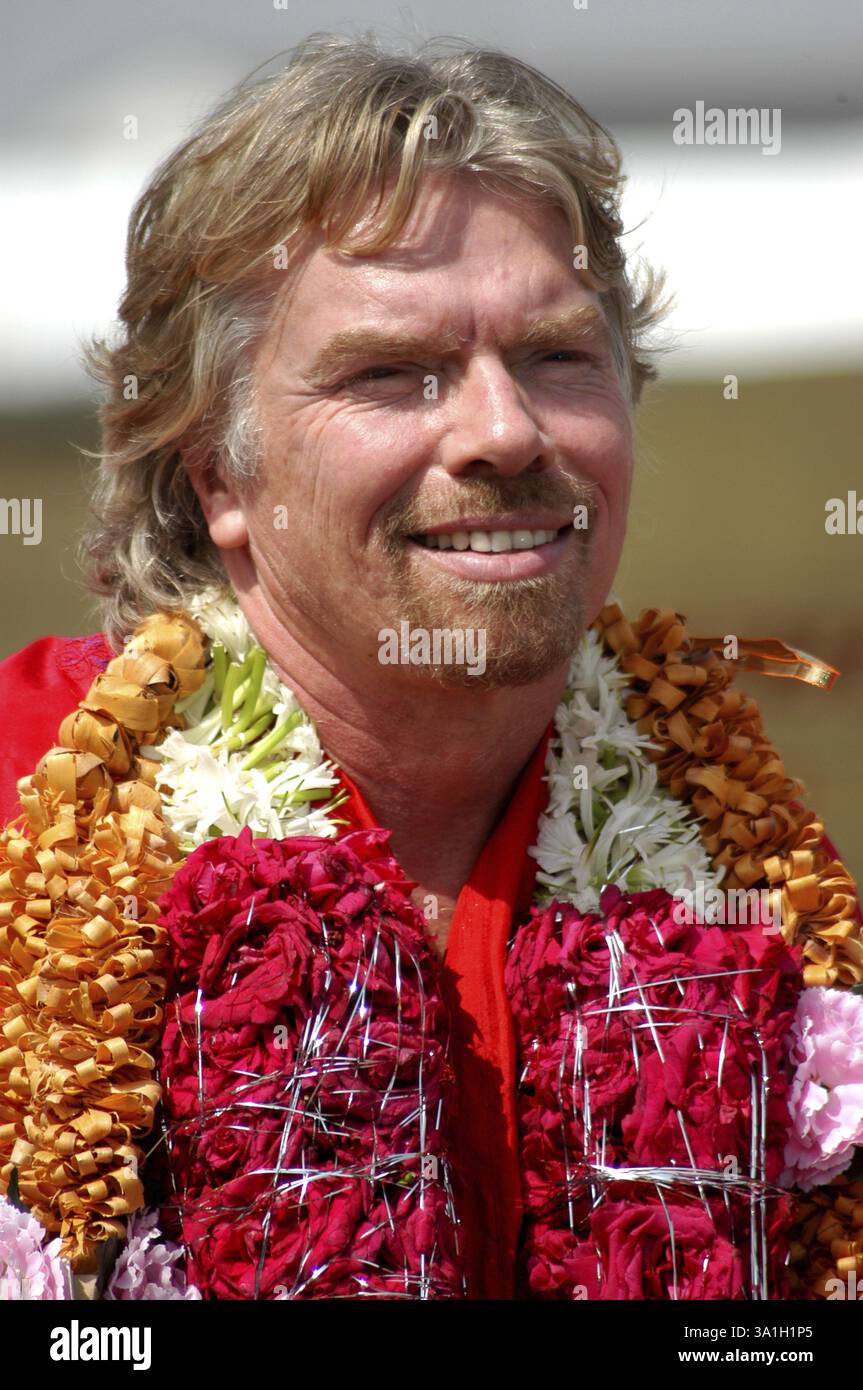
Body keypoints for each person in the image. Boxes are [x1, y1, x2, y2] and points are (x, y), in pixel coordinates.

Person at [0, 33, 860, 1302]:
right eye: (393, 373)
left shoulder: (750, 867)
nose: (505, 432)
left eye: (558, 357)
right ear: (218, 476)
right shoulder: (32, 817)